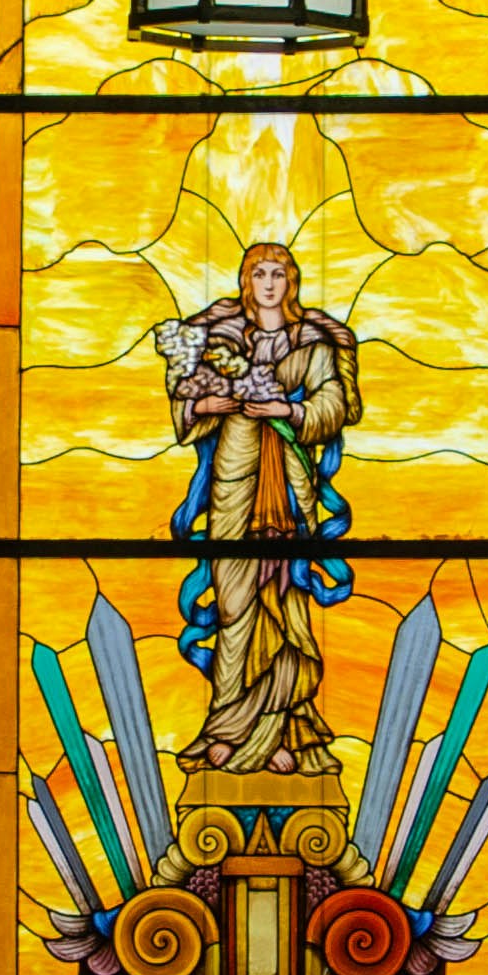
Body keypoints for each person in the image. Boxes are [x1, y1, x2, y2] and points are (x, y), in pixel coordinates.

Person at [159, 240, 360, 774]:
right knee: (234, 605)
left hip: (290, 489)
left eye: (279, 274)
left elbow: (335, 403)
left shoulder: (311, 346)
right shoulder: (219, 338)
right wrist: (205, 403)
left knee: (286, 603)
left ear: (291, 283)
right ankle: (227, 726)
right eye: (259, 274)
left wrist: (287, 409)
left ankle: (282, 733)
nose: (269, 283)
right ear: (246, 282)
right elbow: (184, 395)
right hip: (233, 483)